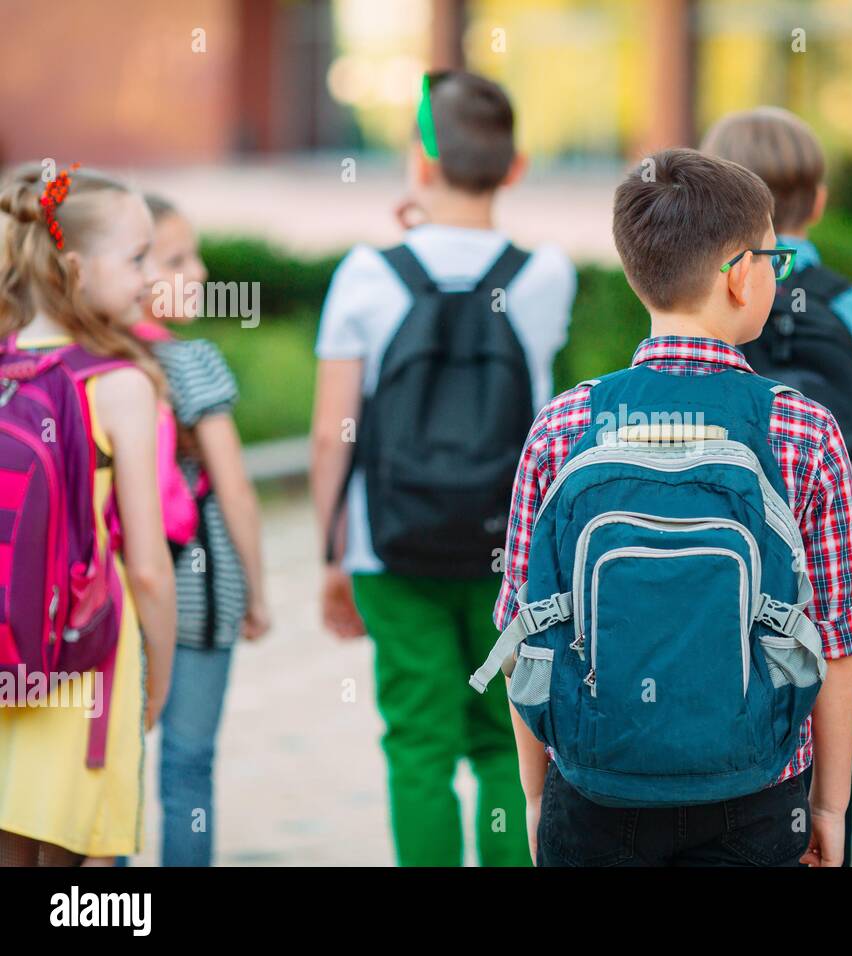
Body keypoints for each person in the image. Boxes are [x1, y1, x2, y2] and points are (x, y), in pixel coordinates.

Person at [485, 147, 852, 867]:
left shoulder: (563, 426)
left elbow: (520, 632)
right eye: (771, 258)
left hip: (595, 792)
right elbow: (840, 642)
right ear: (737, 274)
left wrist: (537, 799)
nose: (773, 274)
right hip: (754, 797)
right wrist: (829, 805)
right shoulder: (804, 430)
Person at [310, 70, 575, 867]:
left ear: (419, 165)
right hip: (510, 546)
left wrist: (331, 555)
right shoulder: (546, 274)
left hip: (391, 543)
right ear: (517, 166)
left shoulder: (366, 273)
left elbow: (332, 434)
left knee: (418, 742)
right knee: (503, 739)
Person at [702, 107, 852, 865]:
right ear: (819, 201)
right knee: (823, 808)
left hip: (711, 592)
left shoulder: (712, 293)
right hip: (825, 611)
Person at [0, 165, 177, 866]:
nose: (148, 278)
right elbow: (149, 570)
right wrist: (156, 683)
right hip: (87, 664)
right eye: (136, 258)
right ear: (73, 268)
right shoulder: (121, 384)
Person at [127, 193, 270, 866]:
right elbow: (235, 491)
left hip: (106, 593)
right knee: (188, 765)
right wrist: (259, 592)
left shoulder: (83, 362)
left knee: (111, 768)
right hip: (198, 585)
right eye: (177, 258)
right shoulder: (193, 362)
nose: (203, 273)